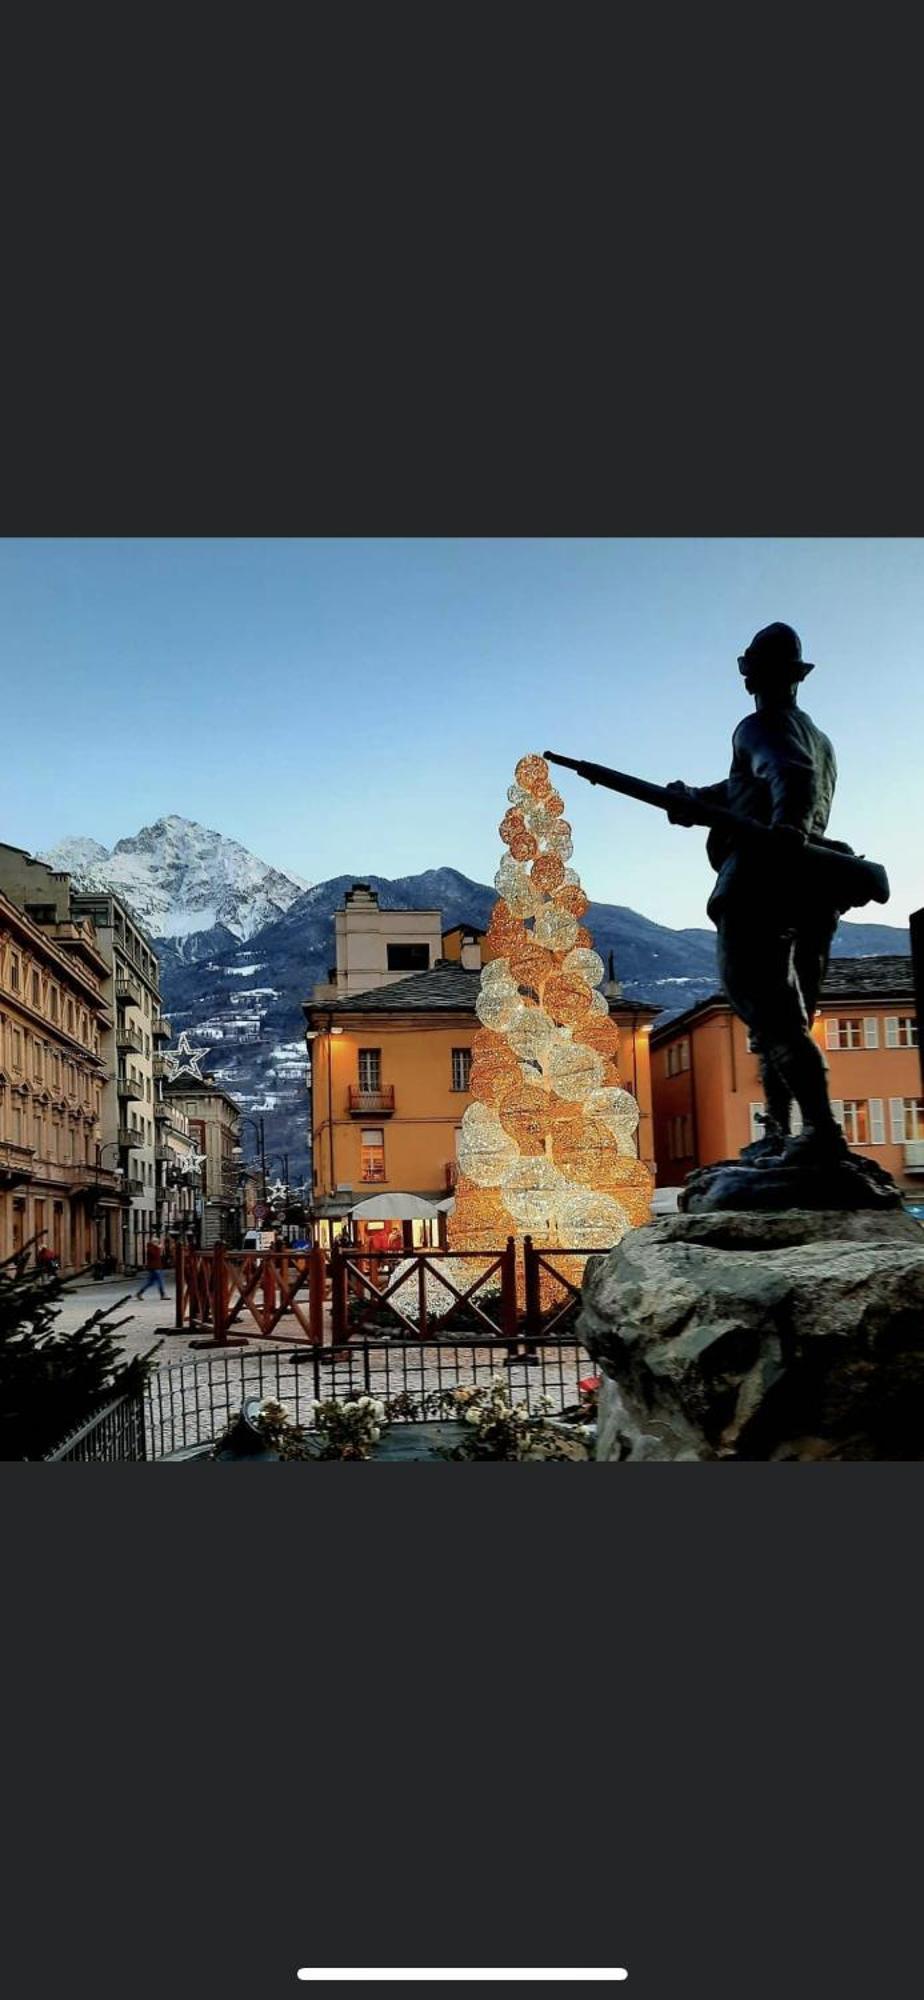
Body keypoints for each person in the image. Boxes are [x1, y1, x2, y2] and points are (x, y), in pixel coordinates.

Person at [667, 622, 846, 1164]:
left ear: (756, 676)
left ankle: (819, 1133)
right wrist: (694, 799)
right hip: (811, 885)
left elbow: (787, 775)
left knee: (765, 1007)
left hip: (761, 880)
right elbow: (750, 787)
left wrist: (786, 829)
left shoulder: (759, 726)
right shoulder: (817, 736)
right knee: (781, 1017)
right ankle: (780, 1133)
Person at [136, 1235, 166, 1301]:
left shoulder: (153, 1248)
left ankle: (139, 1293)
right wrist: (158, 1248)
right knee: (160, 1281)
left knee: (150, 1282)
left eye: (158, 1242)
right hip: (155, 1268)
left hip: (156, 1267)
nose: (158, 1243)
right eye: (156, 1242)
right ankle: (162, 1295)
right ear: (153, 1242)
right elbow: (156, 1256)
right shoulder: (151, 1248)